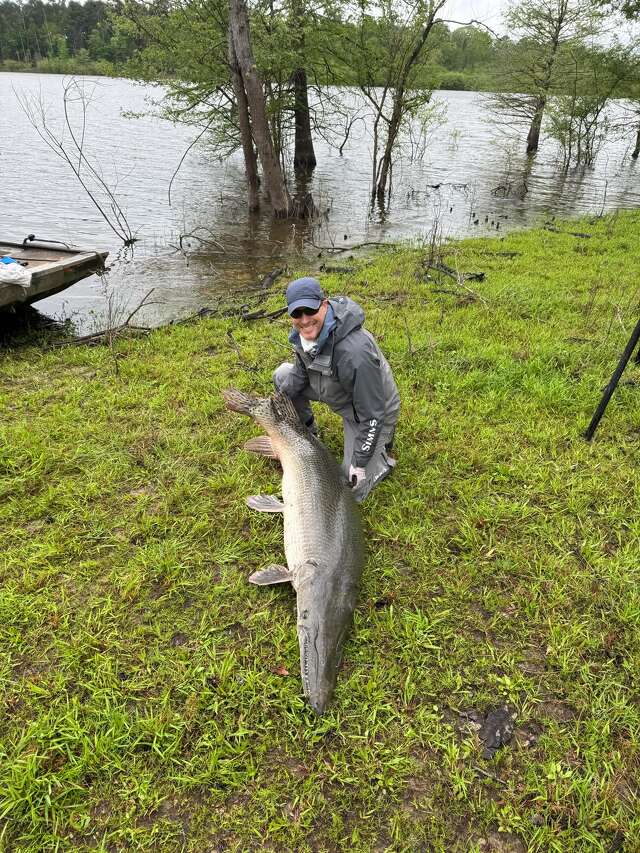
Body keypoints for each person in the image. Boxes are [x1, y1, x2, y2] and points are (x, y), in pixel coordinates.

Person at [273, 276, 400, 502]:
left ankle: (381, 459)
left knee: (349, 487)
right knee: (282, 375)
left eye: (309, 311)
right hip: (339, 393)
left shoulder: (355, 352)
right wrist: (275, 405)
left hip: (369, 414)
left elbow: (372, 414)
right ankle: (308, 434)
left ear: (324, 304)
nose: (304, 320)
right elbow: (300, 374)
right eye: (296, 314)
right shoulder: (304, 337)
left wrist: (359, 464)